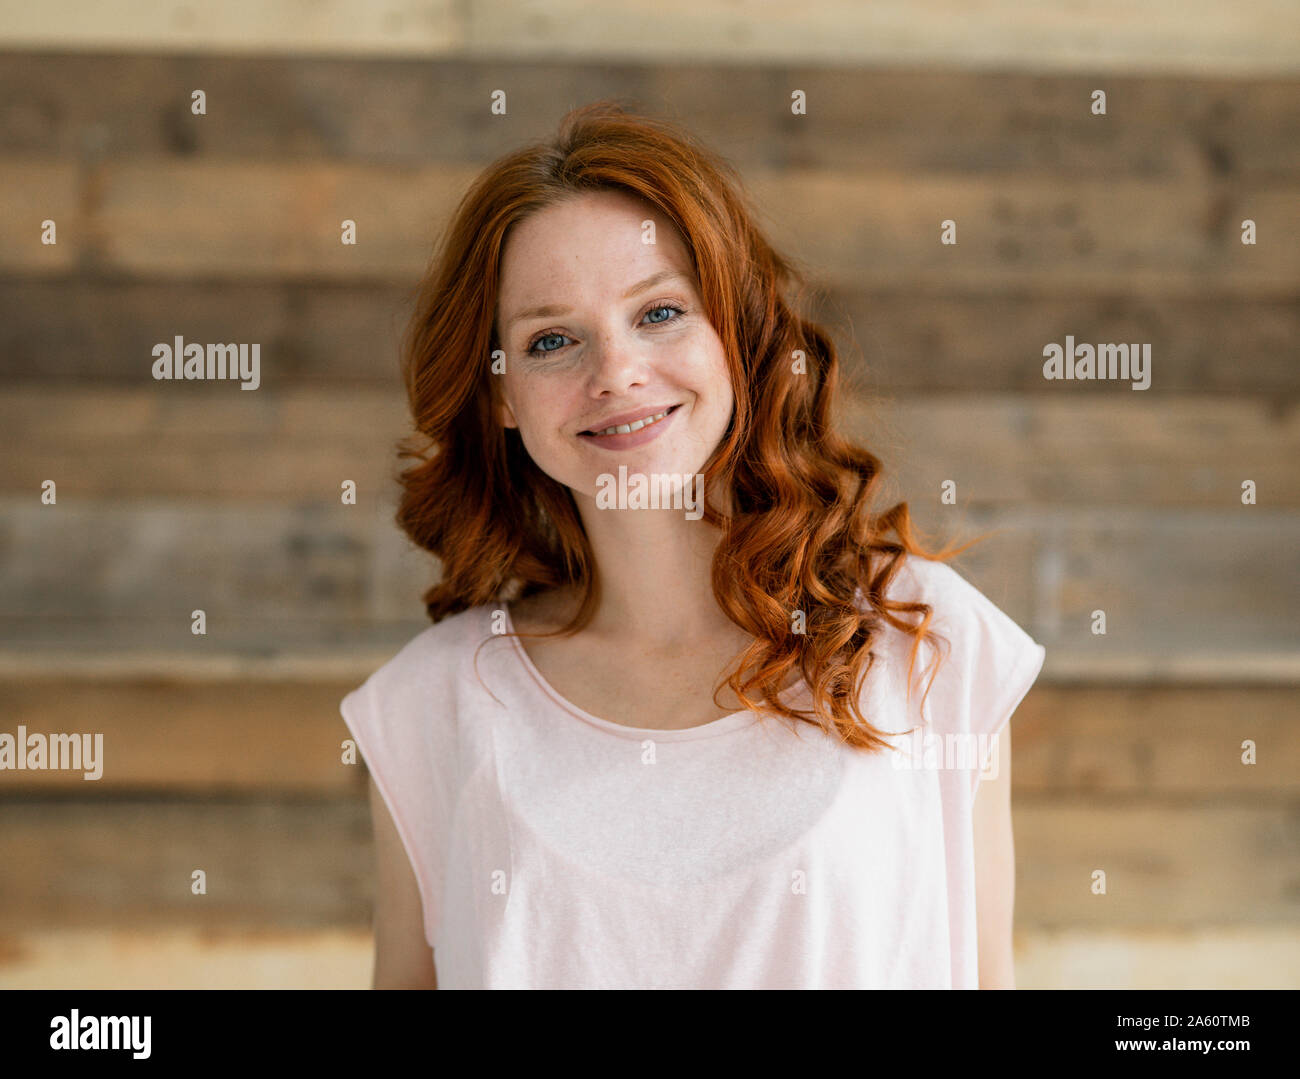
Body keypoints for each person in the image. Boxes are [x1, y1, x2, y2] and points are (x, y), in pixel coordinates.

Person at [341, 101, 1046, 989]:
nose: (618, 371)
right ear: (502, 399)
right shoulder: (428, 704)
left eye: (661, 312)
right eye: (551, 339)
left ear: (737, 337)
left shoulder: (929, 640)